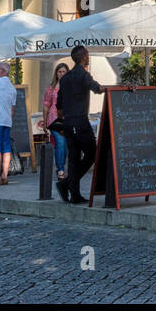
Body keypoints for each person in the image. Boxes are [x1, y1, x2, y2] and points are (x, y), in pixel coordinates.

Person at [59, 45, 104, 203]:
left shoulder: (65, 78)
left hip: (68, 121)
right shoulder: (83, 74)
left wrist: (63, 122)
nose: (89, 57)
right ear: (84, 57)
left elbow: (59, 104)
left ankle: (74, 193)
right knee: (92, 153)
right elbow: (96, 88)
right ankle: (67, 185)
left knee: (73, 158)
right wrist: (115, 89)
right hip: (80, 121)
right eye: (87, 54)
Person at [40, 62, 70, 186]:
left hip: (68, 119)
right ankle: (61, 170)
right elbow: (46, 105)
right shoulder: (51, 88)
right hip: (54, 119)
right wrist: (45, 122)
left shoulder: (71, 87)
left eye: (64, 72)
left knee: (66, 147)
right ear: (56, 73)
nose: (61, 74)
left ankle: (61, 167)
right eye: (59, 72)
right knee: (60, 144)